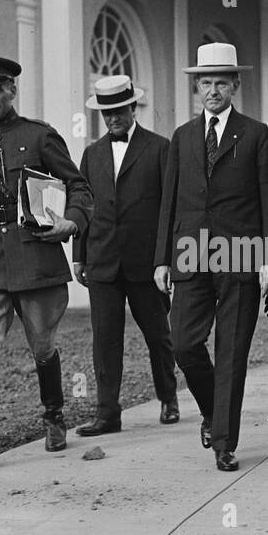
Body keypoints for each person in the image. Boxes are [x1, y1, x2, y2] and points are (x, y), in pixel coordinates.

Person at [0, 55, 93, 471]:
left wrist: (72, 223)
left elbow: (79, 187)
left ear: (13, 90)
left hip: (34, 254)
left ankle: (54, 417)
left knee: (42, 345)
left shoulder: (40, 137)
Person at [154, 43, 268, 472]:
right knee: (184, 342)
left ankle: (224, 442)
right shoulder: (183, 137)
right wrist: (161, 259)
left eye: (221, 83)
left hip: (241, 254)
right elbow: (168, 201)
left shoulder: (255, 133)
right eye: (206, 83)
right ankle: (213, 410)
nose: (213, 90)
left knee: (231, 352)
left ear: (235, 86)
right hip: (190, 253)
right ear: (197, 87)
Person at [72, 75, 179, 435]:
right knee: (105, 339)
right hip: (102, 260)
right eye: (107, 113)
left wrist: (166, 259)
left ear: (133, 107)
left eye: (119, 110)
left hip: (146, 263)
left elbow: (169, 209)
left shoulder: (160, 148)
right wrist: (79, 255)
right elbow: (83, 207)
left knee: (158, 335)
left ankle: (168, 397)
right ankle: (107, 413)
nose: (113, 118)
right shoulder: (92, 153)